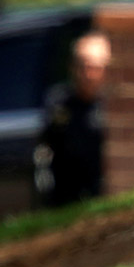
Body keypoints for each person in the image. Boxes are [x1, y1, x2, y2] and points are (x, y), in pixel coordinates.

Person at [34, 32, 111, 208]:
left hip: (102, 195)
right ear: (72, 67)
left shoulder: (115, 108)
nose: (88, 74)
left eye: (95, 68)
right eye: (82, 66)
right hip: (64, 197)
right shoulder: (58, 102)